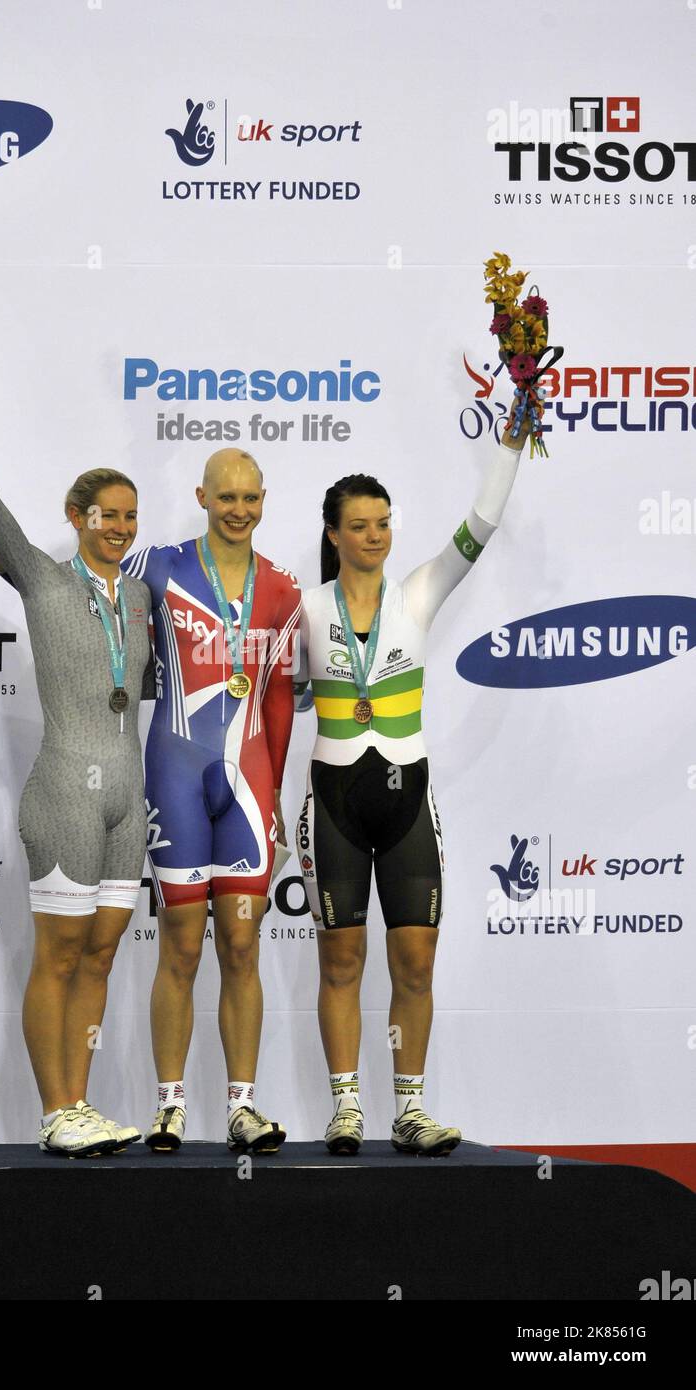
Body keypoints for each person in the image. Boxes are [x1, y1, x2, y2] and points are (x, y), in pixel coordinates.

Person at [294, 417, 531, 1156]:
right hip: (332, 799)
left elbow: (482, 521)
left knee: (417, 960)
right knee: (339, 960)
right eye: (359, 526)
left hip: (406, 800)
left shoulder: (421, 591)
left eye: (384, 524)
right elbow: (284, 695)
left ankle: (409, 1108)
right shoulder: (302, 609)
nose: (375, 536)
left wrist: (514, 435)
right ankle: (344, 1109)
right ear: (332, 534)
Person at [0, 436, 154, 1156]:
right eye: (107, 515)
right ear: (77, 517)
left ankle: (81, 1103)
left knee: (101, 956)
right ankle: (53, 1111)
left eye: (130, 517)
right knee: (60, 956)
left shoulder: (136, 595)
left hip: (127, 797)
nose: (120, 528)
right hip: (66, 789)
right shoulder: (41, 578)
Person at [122, 448, 301, 1153]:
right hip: (175, 772)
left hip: (250, 785)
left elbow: (281, 700)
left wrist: (278, 792)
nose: (238, 510)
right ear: (201, 496)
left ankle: (242, 1107)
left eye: (249, 499)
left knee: (241, 944)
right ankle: (168, 1105)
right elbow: (87, 593)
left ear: (264, 499)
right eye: (225, 497)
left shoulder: (284, 589)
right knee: (181, 947)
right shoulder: (158, 567)